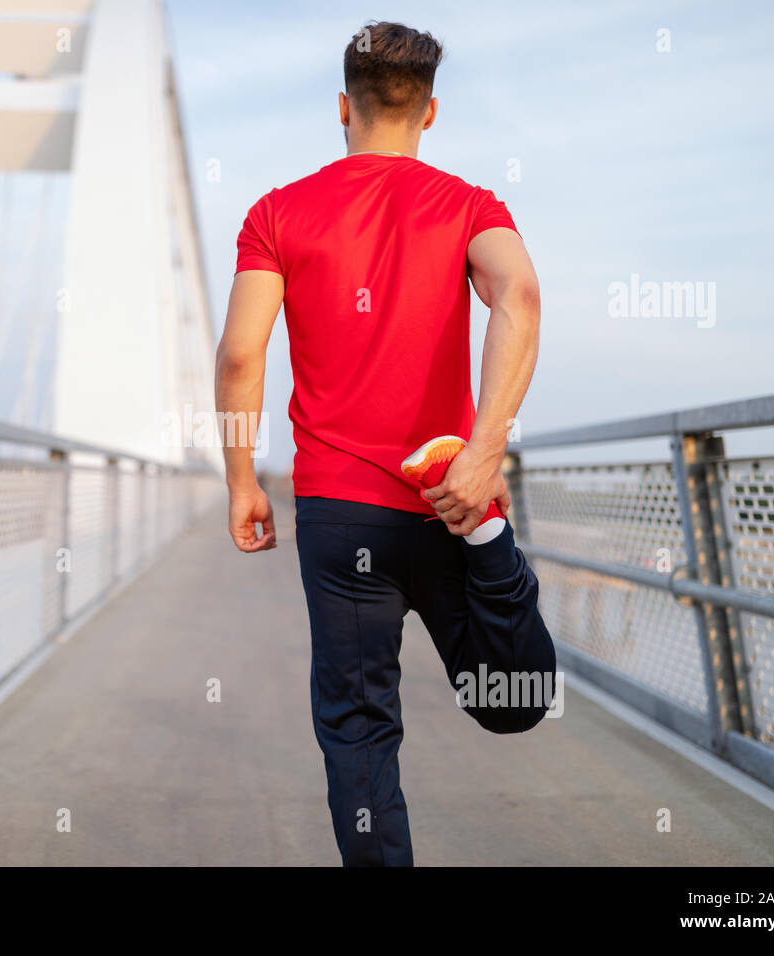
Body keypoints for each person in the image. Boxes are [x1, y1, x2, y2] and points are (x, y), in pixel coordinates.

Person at [214, 20, 557, 866]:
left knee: (359, 730)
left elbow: (239, 353)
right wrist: (483, 454)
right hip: (450, 496)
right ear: (429, 113)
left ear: (343, 107)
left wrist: (241, 479)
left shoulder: (277, 213)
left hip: (336, 513)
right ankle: (492, 545)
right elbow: (521, 294)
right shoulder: (470, 206)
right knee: (512, 700)